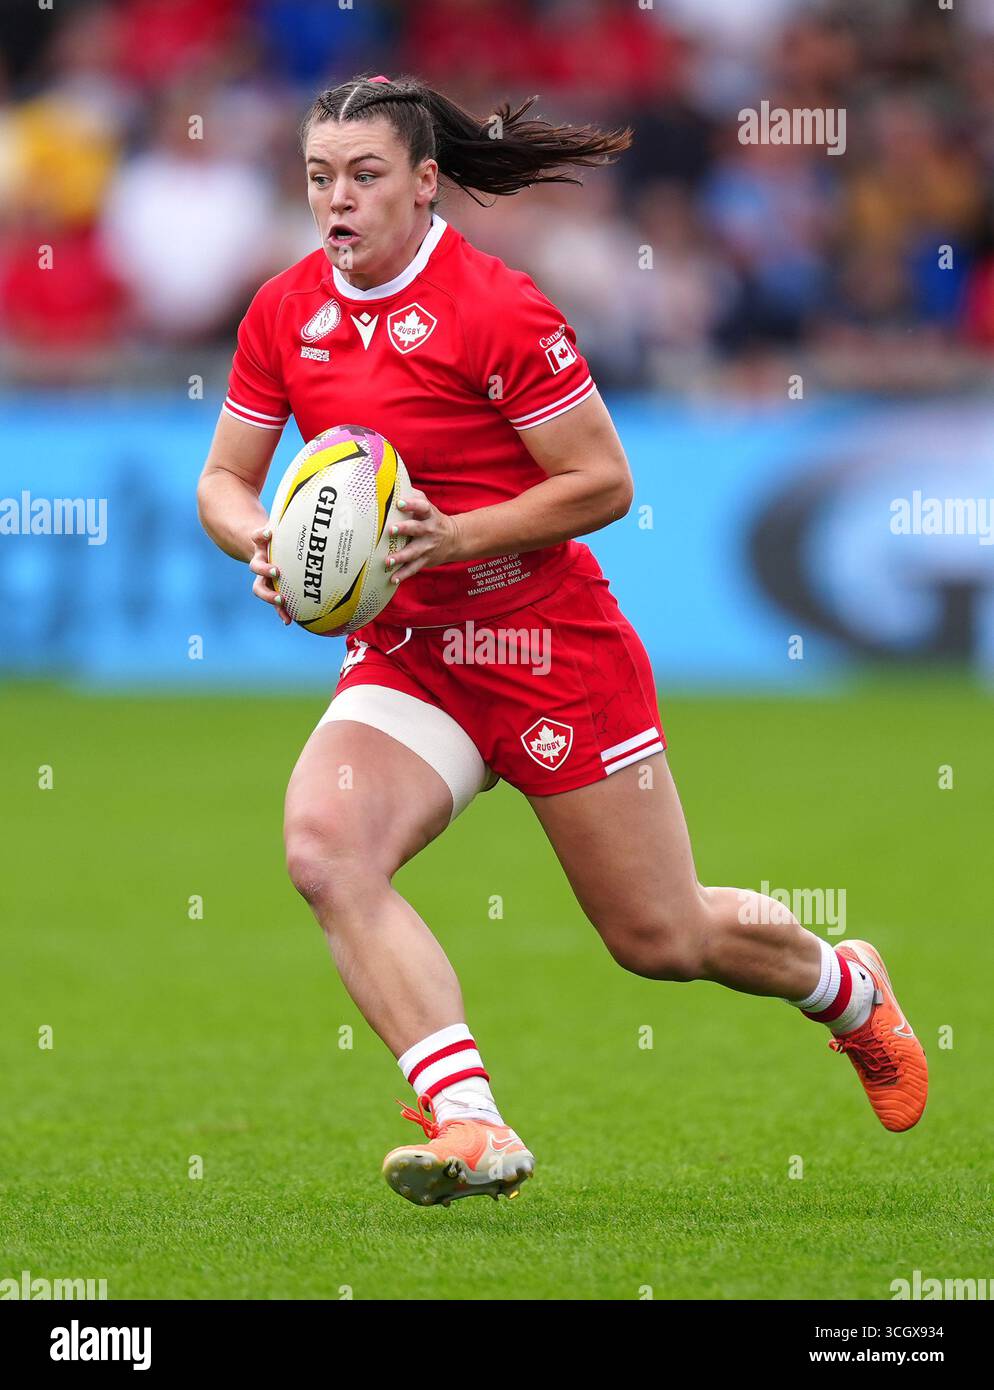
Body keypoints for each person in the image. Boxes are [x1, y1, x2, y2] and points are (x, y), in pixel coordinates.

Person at [197, 73, 927, 1209]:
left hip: (546, 648)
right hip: (413, 656)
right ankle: (470, 1122)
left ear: (426, 181)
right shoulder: (285, 310)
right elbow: (226, 480)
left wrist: (454, 537)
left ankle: (846, 985)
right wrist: (266, 546)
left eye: (364, 174)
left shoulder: (498, 308)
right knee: (323, 846)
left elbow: (602, 481)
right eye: (318, 177)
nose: (336, 199)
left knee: (660, 935)